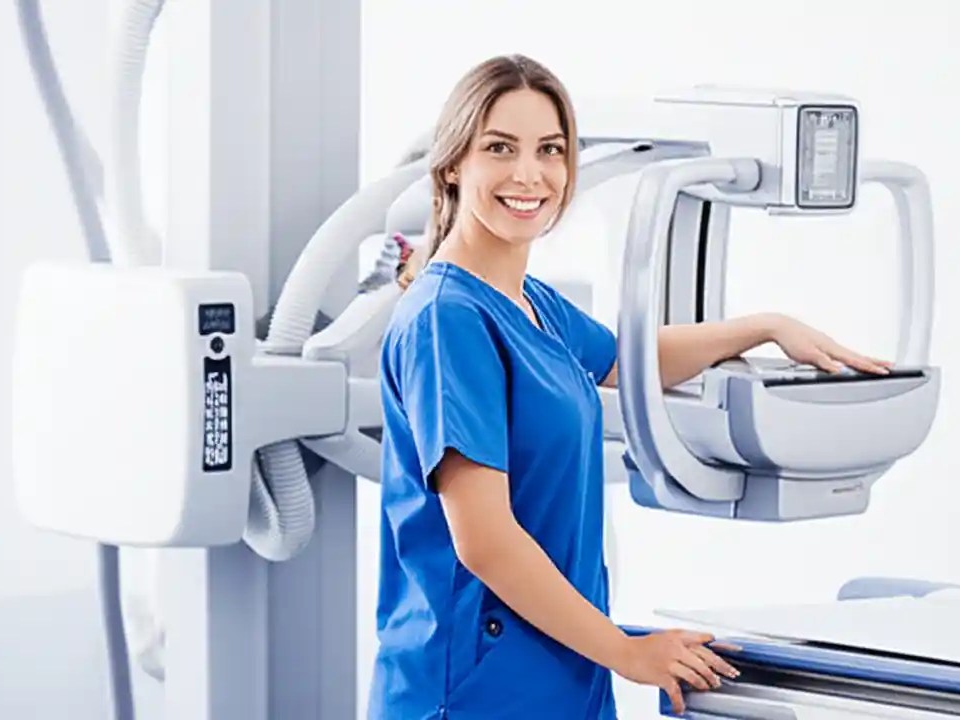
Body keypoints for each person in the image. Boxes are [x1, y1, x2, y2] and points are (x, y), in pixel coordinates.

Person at [369, 54, 892, 720]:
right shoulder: (449, 320)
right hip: (475, 690)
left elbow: (627, 359)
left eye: (549, 151)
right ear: (452, 165)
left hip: (558, 674)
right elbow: (486, 542)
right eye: (500, 148)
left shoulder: (532, 304)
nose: (529, 174)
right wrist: (629, 653)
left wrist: (765, 326)